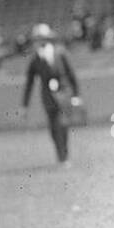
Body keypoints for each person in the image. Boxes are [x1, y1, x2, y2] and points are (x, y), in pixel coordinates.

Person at [21, 23, 81, 165]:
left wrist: (76, 96)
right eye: (36, 39)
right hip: (48, 97)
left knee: (62, 125)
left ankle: (64, 156)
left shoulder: (60, 53)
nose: (38, 42)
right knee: (53, 128)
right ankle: (61, 155)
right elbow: (29, 83)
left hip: (64, 94)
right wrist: (24, 105)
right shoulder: (35, 59)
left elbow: (72, 75)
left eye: (41, 38)